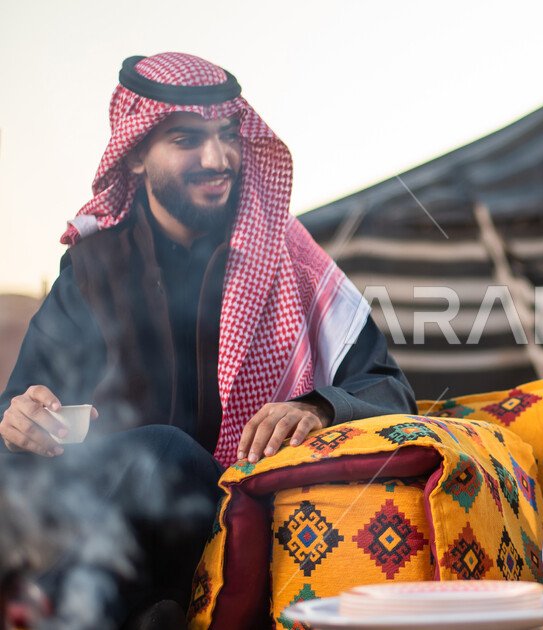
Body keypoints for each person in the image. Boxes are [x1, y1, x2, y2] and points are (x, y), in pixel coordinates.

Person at [0, 53, 416, 629]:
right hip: (94, 513)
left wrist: (316, 407)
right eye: (188, 140)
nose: (218, 159)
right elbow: (22, 407)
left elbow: (390, 388)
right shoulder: (92, 269)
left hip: (226, 507)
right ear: (138, 154)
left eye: (227, 137)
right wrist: (19, 421)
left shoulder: (285, 256)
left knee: (159, 457)